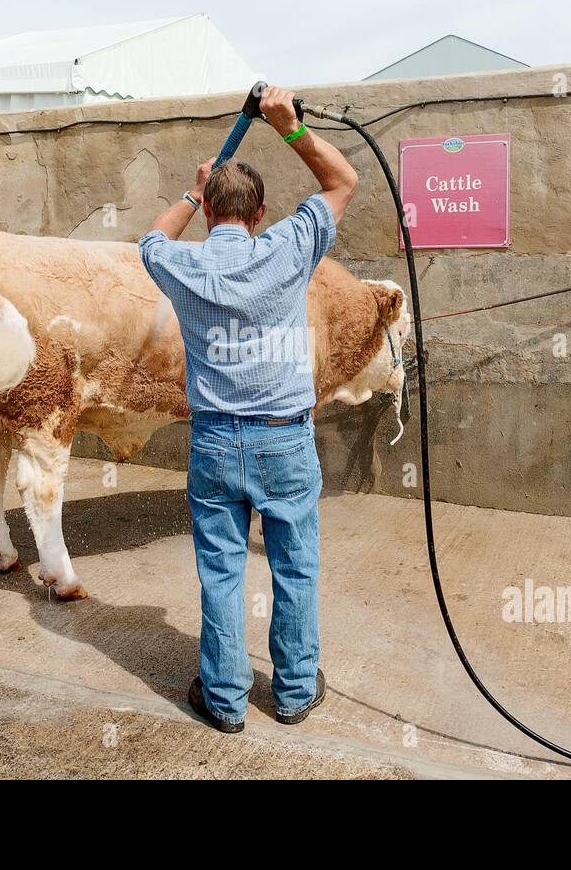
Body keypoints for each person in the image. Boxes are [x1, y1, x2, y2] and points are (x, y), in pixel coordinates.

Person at [139, 86, 358, 733]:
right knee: (294, 568)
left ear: (209, 213)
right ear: (260, 213)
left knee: (223, 574)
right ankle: (292, 693)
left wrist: (191, 191)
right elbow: (343, 180)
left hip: (213, 444)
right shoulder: (289, 246)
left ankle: (226, 701)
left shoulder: (182, 265)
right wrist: (289, 128)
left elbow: (149, 241)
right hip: (284, 440)